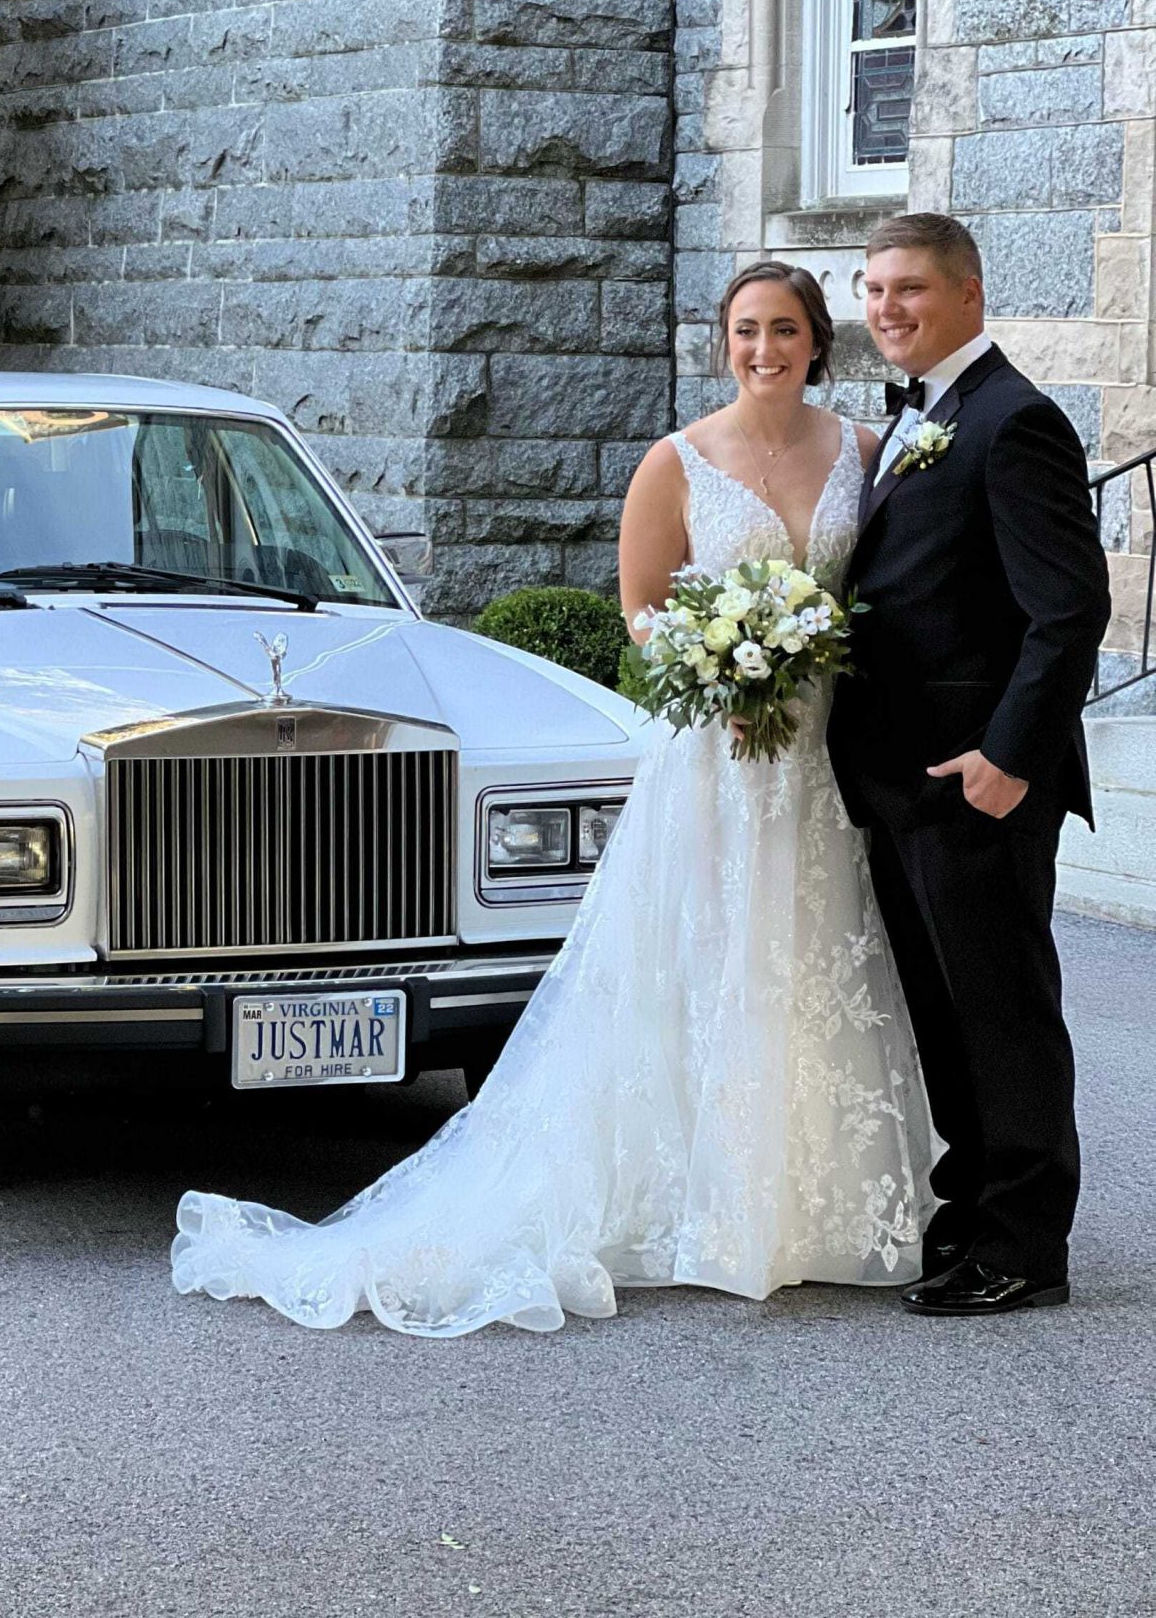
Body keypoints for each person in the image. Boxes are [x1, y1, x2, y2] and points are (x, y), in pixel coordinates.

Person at [170, 260, 934, 1335]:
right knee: (702, 964)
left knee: (811, 959)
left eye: (786, 330)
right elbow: (639, 612)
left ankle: (805, 1207)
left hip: (819, 761)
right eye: (747, 331)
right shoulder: (678, 462)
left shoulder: (862, 451)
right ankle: (700, 1204)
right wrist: (727, 660)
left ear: (818, 341)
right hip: (714, 755)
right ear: (727, 343)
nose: (765, 349)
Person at [828, 213, 1110, 1317]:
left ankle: (1027, 1244)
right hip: (897, 776)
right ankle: (972, 1210)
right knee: (944, 1015)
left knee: (1002, 1011)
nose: (888, 308)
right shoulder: (918, 416)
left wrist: (1008, 758)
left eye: (910, 290)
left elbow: (1069, 610)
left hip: (973, 777)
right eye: (875, 289)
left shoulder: (1014, 420)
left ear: (969, 295)